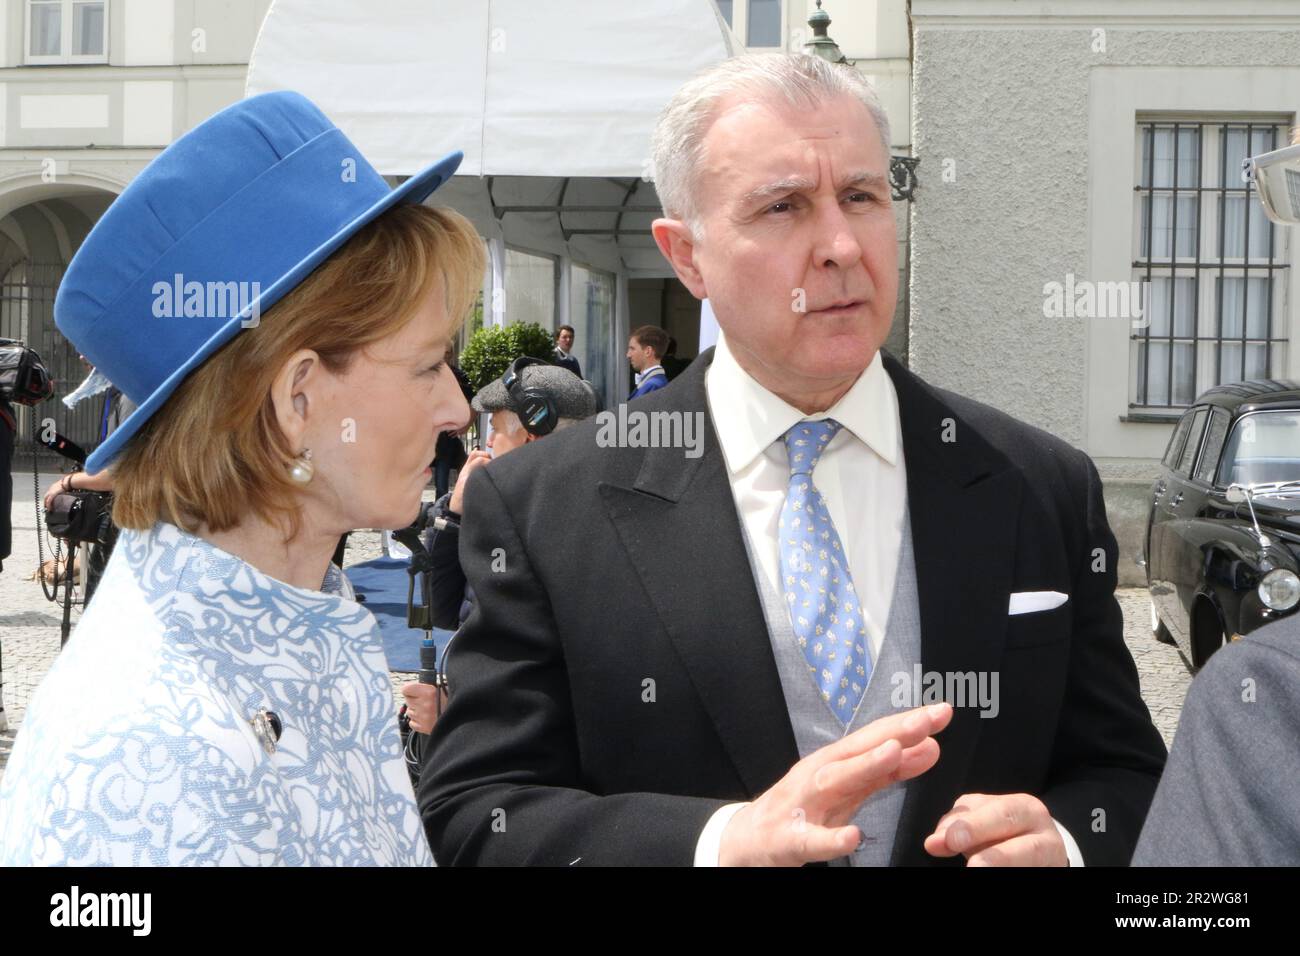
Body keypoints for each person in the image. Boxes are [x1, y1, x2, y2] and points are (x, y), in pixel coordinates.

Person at [418, 53, 1166, 867]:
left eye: (861, 196)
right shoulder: (544, 509)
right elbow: (477, 814)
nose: (841, 244)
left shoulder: (1040, 485)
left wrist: (1064, 842)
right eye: (784, 207)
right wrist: (716, 845)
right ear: (686, 256)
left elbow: (1127, 777)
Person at [0, 91, 485, 865]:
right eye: (428, 366)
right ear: (297, 400)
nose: (458, 408)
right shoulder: (151, 749)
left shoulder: (305, 623)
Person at [402, 360, 599, 735]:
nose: (486, 444)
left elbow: (550, 694)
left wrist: (455, 716)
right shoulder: (506, 514)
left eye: (494, 432)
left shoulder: (575, 534)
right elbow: (443, 611)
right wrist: (453, 518)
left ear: (532, 436)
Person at [432, 341, 475, 499]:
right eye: (441, 353)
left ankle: (439, 514)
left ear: (452, 355)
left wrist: (466, 425)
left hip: (446, 437)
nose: (444, 357)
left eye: (448, 354)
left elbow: (474, 402)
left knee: (442, 482)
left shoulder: (459, 376)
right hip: (425, 435)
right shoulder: (425, 375)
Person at [627, 324, 670, 398]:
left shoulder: (653, 385)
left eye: (632, 349)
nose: (628, 355)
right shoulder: (654, 383)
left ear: (648, 351)